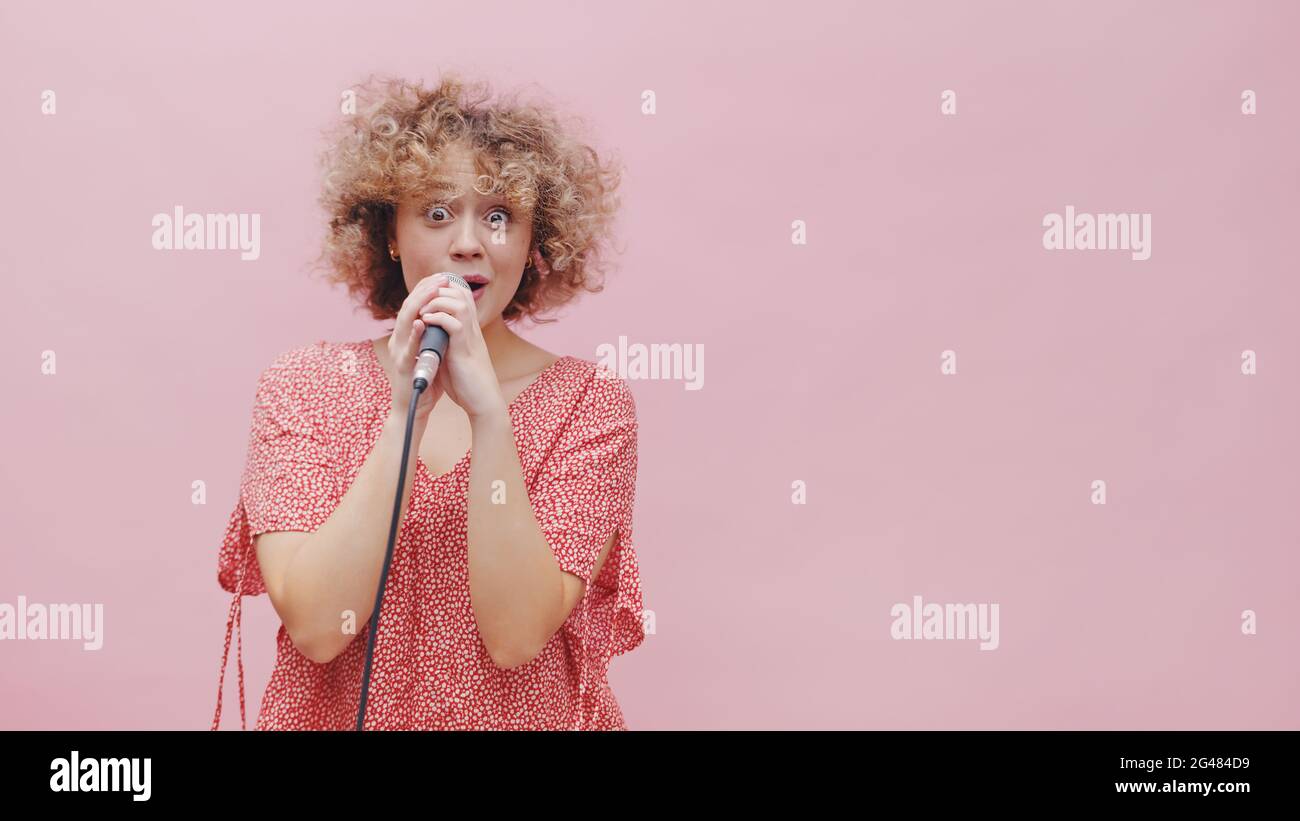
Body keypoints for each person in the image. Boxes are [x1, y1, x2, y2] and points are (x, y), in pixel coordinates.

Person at [210, 73, 646, 730]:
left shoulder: (592, 405)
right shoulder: (301, 386)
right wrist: (400, 420)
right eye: (436, 212)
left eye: (499, 216)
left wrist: (490, 419)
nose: (468, 241)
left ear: (533, 245)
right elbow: (320, 628)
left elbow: (516, 635)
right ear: (389, 233)